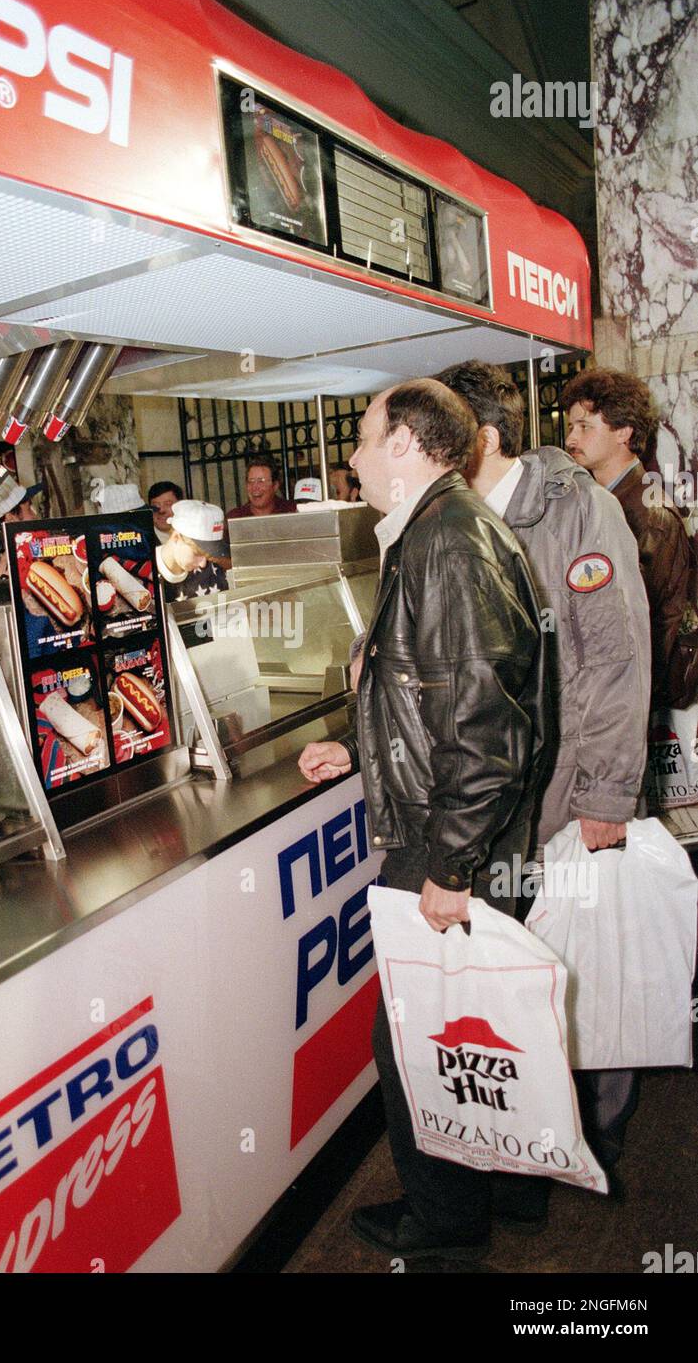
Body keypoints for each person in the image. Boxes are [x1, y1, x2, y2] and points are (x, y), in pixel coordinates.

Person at [298, 379, 551, 1261]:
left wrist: (449, 868)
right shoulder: (442, 529)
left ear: (406, 443)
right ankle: (505, 1195)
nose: (355, 458)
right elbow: (433, 695)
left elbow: (486, 730)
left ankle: (443, 1231)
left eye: (365, 440)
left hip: (443, 850)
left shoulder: (446, 542)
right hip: (456, 837)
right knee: (466, 1028)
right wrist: (361, 749)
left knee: (414, 1042)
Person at [438, 360, 652, 1195]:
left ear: (480, 439)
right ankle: (527, 1154)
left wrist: (605, 793)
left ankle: (597, 1137)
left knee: (582, 968)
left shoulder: (574, 511)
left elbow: (616, 657)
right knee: (519, 977)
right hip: (498, 804)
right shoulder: (449, 520)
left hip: (566, 794)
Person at [562, 368, 692, 712]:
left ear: (624, 432)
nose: (572, 438)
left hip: (635, 699)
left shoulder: (650, 514)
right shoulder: (595, 501)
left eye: (585, 427)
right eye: (571, 426)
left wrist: (631, 702)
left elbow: (659, 621)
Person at [155, 500, 230, 601]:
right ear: (176, 537)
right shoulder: (145, 571)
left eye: (209, 555)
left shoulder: (212, 570)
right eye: (197, 553)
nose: (203, 564)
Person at [226, 454, 296, 520]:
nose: (255, 487)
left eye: (261, 481)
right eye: (251, 481)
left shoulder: (291, 512)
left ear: (275, 486)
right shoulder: (235, 517)